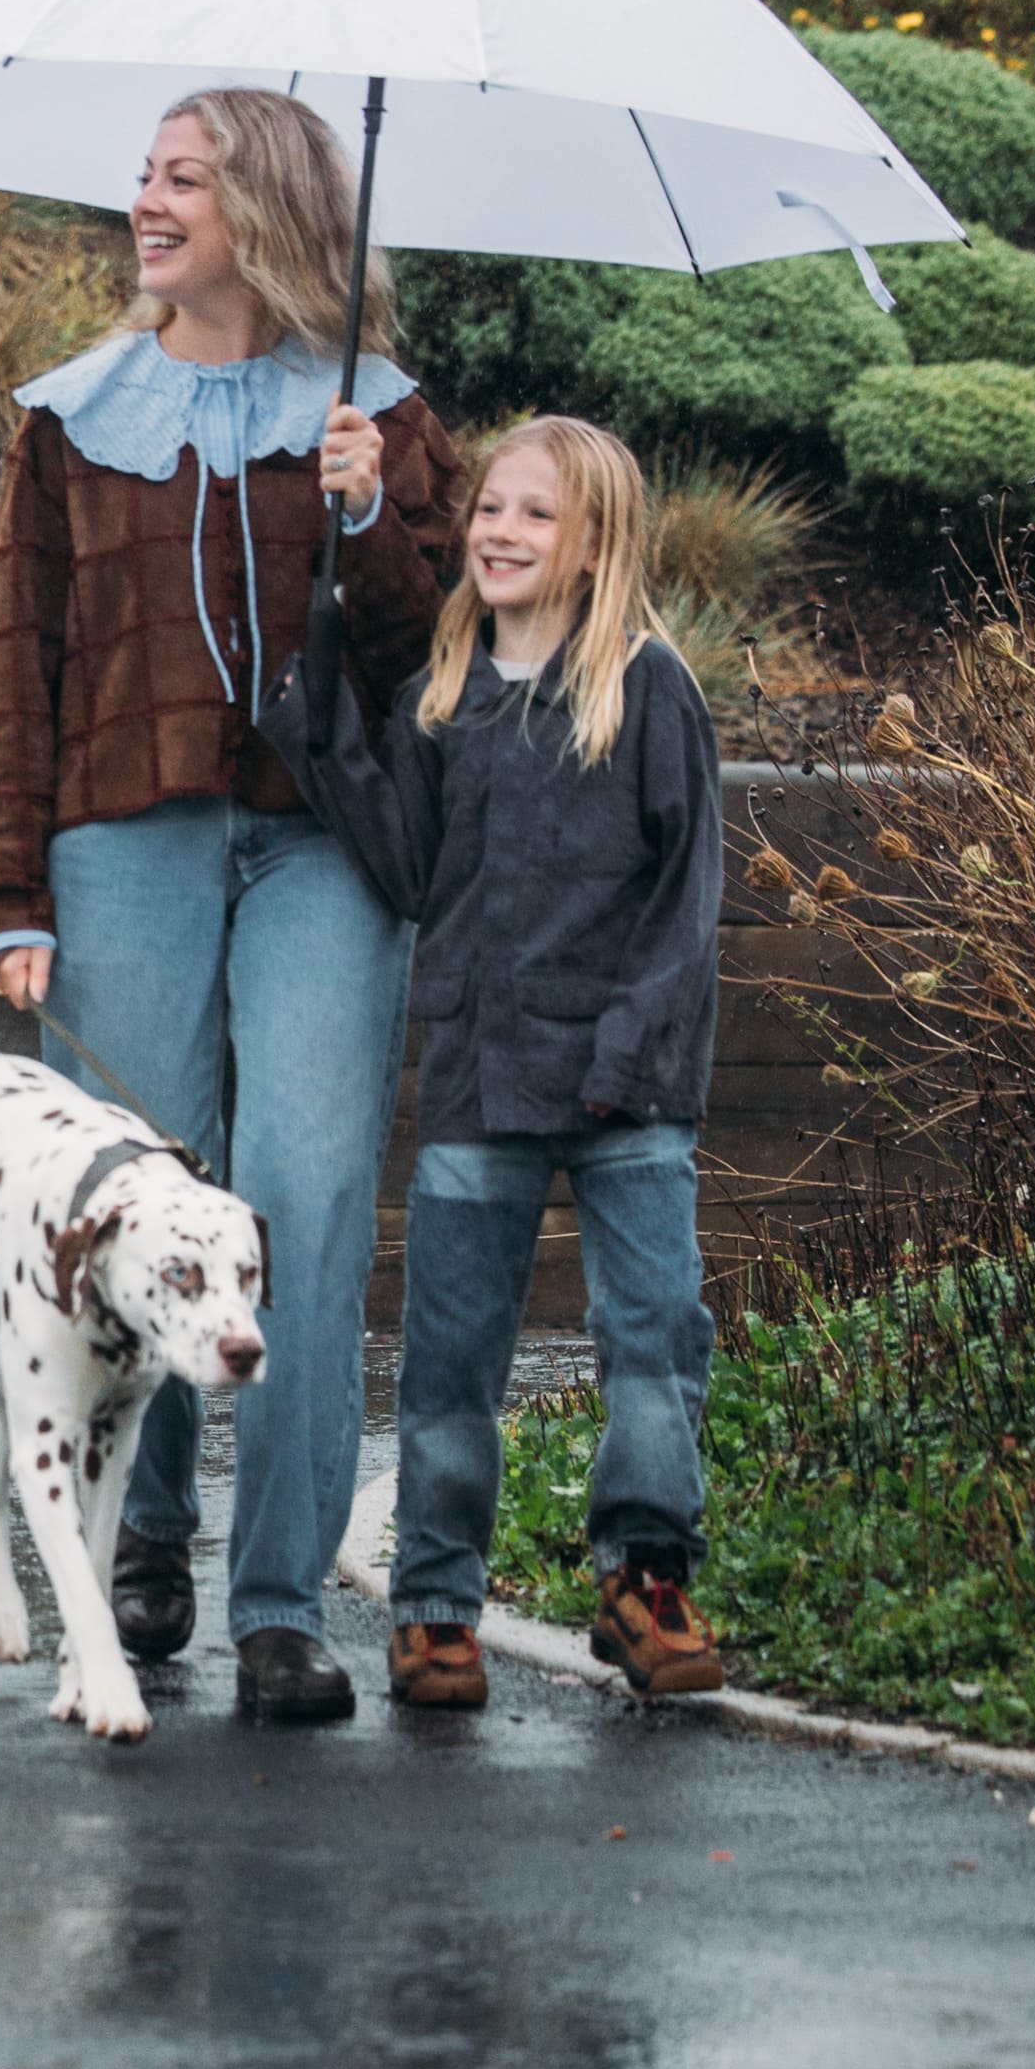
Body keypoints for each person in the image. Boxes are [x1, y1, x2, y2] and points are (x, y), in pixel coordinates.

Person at [0, 89, 463, 1726]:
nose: (147, 201)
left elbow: (425, 663)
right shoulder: (64, 417)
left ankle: (277, 1602)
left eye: (185, 178)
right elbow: (14, 673)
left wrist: (367, 516)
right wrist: (2, 896)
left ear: (268, 213)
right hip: (125, 839)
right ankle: (144, 1535)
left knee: (305, 1204)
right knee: (138, 1202)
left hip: (320, 844)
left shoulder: (378, 415)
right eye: (145, 175)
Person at [268, 413, 729, 1711]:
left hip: (625, 1090)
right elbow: (410, 868)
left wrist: (630, 1051)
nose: (502, 532)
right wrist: (318, 725)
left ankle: (645, 1579)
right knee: (450, 1361)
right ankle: (432, 1607)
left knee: (654, 1337)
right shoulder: (447, 695)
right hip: (479, 1078)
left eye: (536, 515)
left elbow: (685, 901)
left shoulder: (648, 688)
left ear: (594, 547)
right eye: (491, 510)